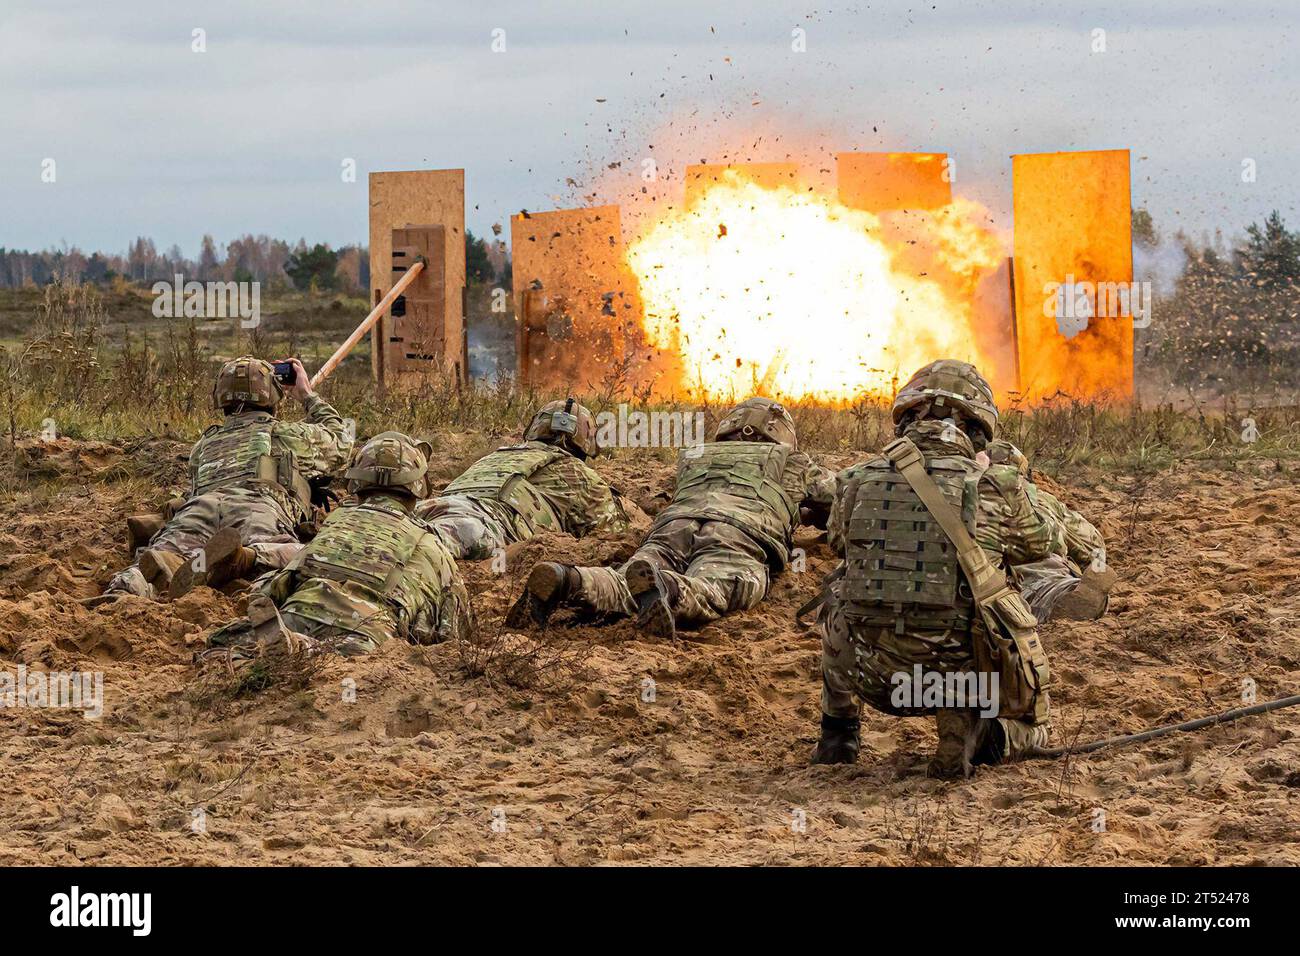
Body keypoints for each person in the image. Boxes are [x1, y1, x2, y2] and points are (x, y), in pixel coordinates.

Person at [813, 360, 1056, 777]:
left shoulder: (853, 479)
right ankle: (984, 733)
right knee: (1002, 596)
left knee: (837, 593)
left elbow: (839, 542)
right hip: (958, 680)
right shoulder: (993, 484)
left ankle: (838, 733)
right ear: (978, 428)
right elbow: (1042, 544)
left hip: (871, 678)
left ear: (905, 418)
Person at [506, 397, 835, 639]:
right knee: (716, 588)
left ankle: (571, 580)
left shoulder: (695, 455)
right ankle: (666, 587)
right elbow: (842, 500)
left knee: (627, 578)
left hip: (674, 525)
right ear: (781, 435)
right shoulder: (794, 462)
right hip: (740, 534)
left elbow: (660, 496)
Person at [99, 356, 353, 602]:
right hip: (257, 507)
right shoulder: (283, 434)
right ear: (273, 395)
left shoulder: (205, 443)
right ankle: (244, 558)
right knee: (300, 556)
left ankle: (136, 582)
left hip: (200, 507)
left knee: (164, 552)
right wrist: (306, 395)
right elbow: (341, 442)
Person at [202, 431, 471, 661]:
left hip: (299, 611)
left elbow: (277, 587)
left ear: (357, 483)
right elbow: (450, 631)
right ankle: (302, 649)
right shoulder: (432, 545)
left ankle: (289, 644)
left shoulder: (336, 524)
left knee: (223, 642)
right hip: (366, 632)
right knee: (348, 654)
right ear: (419, 487)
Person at [414, 399, 629, 559]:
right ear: (587, 442)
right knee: (429, 547)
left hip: (432, 507)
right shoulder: (582, 476)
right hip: (482, 524)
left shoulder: (498, 454)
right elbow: (612, 538)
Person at [983, 439, 1113, 622]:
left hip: (987, 579)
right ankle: (1062, 595)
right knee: (1051, 584)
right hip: (1044, 574)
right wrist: (1093, 563)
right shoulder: (1044, 500)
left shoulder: (968, 492)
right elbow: (1092, 542)